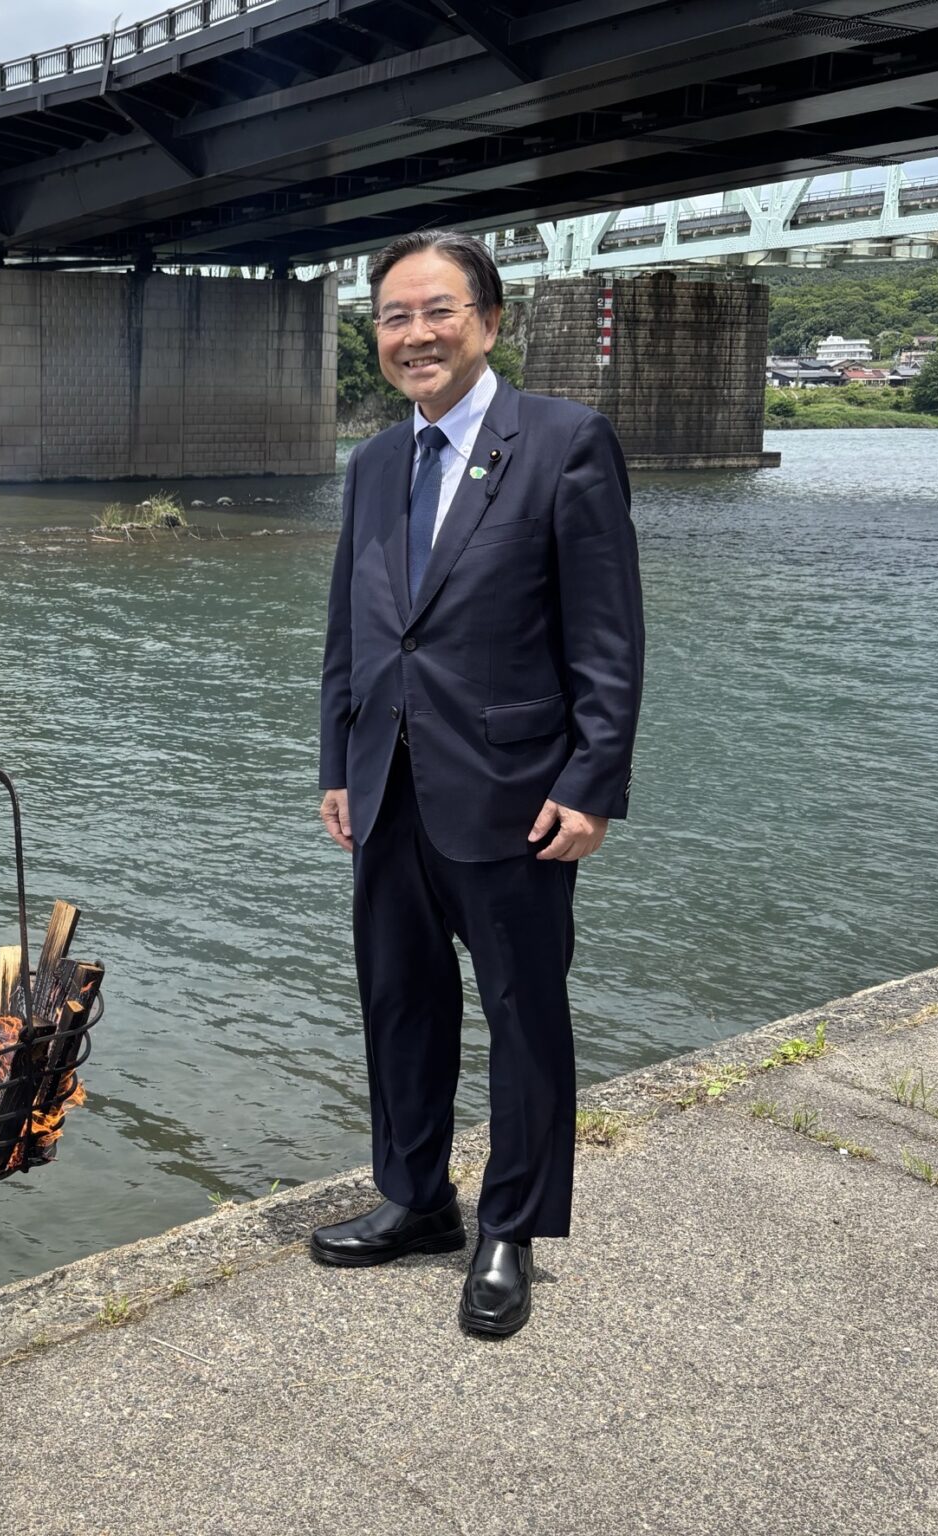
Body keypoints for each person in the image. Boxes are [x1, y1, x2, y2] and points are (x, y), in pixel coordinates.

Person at [312, 230, 644, 1338]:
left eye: (437, 311)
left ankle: (511, 1226)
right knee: (398, 999)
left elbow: (607, 635)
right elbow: (352, 632)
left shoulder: (561, 441)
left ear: (489, 322)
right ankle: (416, 1198)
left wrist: (592, 782)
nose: (415, 334)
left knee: (521, 1010)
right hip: (387, 784)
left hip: (515, 787)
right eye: (394, 316)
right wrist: (336, 764)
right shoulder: (373, 463)